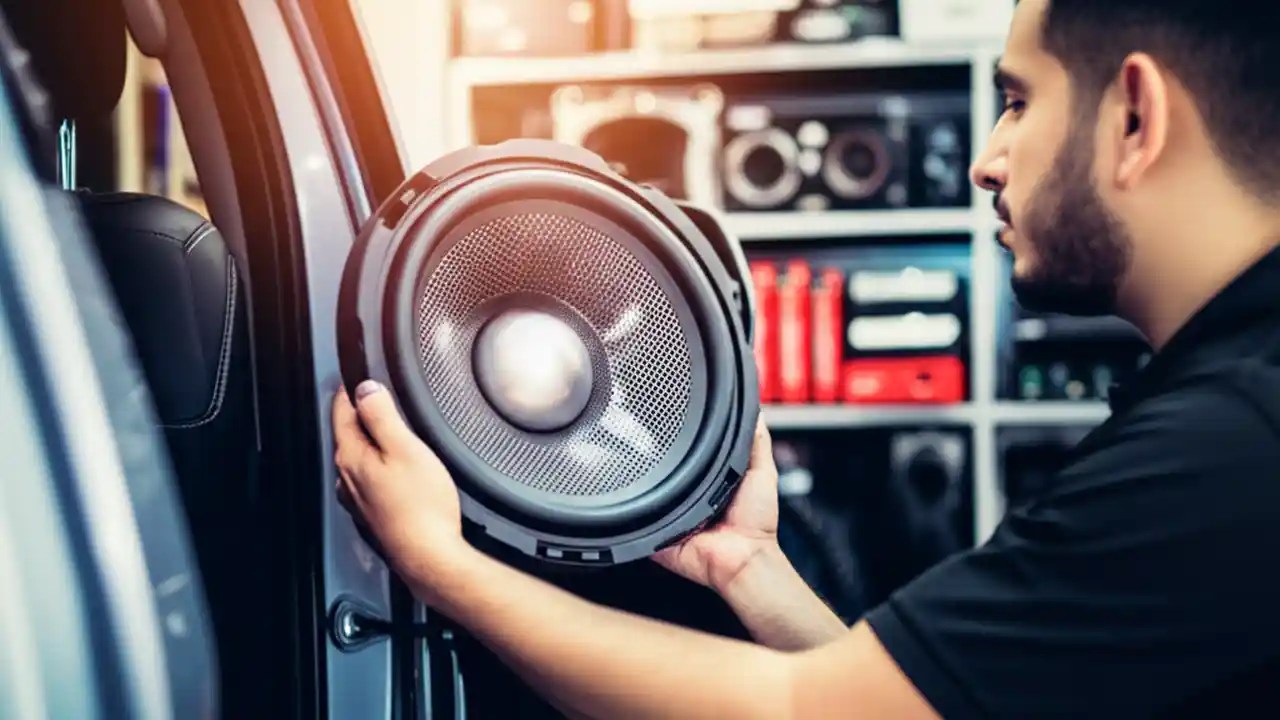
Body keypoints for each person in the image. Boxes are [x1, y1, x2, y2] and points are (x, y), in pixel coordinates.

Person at [332, 0, 1280, 716]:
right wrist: (750, 568)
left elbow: (809, 713)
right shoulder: (1227, 409)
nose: (987, 161)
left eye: (1018, 102)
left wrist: (442, 566)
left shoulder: (1229, 447)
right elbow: (917, 703)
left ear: (1135, 118)